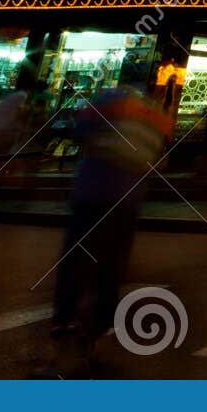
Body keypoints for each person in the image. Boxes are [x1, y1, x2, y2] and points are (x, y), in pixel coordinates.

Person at [45, 85, 173, 376]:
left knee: (75, 262)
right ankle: (95, 334)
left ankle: (65, 326)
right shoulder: (154, 115)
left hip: (92, 193)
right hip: (127, 200)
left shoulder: (109, 101)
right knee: (110, 269)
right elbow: (157, 151)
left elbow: (80, 132)